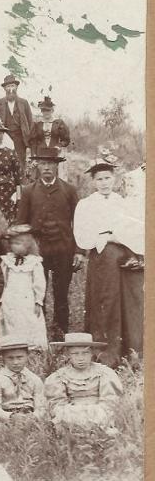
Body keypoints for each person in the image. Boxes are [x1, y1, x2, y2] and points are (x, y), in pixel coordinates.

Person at [74, 151, 144, 365]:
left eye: (107, 178)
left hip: (126, 257)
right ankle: (107, 352)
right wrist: (109, 236)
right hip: (103, 258)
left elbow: (136, 230)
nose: (104, 183)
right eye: (99, 179)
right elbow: (85, 234)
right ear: (93, 182)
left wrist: (120, 238)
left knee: (130, 301)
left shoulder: (123, 202)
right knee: (106, 301)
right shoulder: (86, 204)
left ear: (114, 179)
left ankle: (131, 352)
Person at [15, 145, 79, 339]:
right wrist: (22, 250)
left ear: (57, 166)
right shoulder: (28, 191)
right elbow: (21, 223)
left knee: (61, 293)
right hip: (38, 252)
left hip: (63, 249)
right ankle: (38, 333)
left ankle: (61, 332)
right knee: (38, 293)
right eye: (43, 163)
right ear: (37, 166)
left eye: (50, 163)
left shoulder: (69, 191)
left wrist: (79, 251)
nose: (47, 168)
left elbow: (79, 223)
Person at [44, 332, 123, 428]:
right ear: (68, 355)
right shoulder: (59, 377)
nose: (81, 358)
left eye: (85, 353)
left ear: (92, 353)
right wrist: (76, 416)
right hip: (70, 417)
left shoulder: (104, 373)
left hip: (99, 416)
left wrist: (94, 415)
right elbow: (57, 406)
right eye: (75, 354)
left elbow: (110, 402)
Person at [0, 223, 47, 349]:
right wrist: (1, 298)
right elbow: (2, 279)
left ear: (28, 245)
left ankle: (30, 343)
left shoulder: (34, 262)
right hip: (10, 295)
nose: (14, 246)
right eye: (12, 243)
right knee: (10, 317)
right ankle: (10, 342)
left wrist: (38, 301)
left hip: (26, 296)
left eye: (18, 244)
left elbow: (39, 283)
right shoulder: (7, 261)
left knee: (28, 318)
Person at [0, 338, 46, 419]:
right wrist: (9, 416)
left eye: (19, 357)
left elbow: (41, 406)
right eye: (10, 358)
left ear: (27, 356)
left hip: (30, 415)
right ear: (3, 357)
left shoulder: (34, 379)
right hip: (7, 415)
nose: (15, 362)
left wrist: (35, 416)